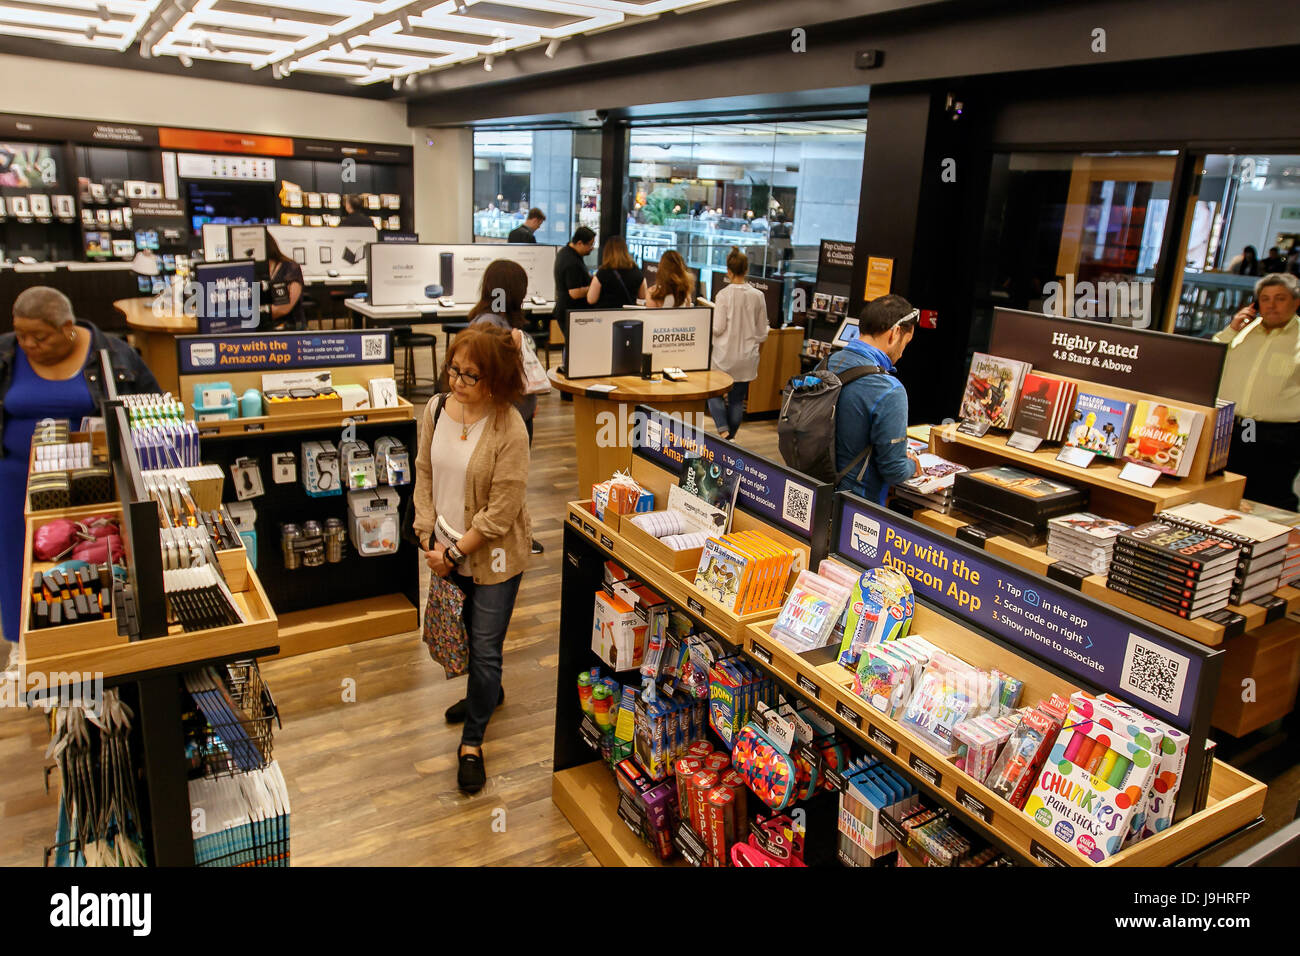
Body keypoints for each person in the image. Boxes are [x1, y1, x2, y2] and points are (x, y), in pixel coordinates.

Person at [0, 287, 160, 672]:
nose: (28, 344)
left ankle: (83, 650)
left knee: (80, 568)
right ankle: (24, 646)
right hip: (13, 480)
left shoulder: (114, 355)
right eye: (21, 335)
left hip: (90, 486)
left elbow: (150, 406)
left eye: (39, 336)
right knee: (14, 567)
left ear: (67, 328)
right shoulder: (6, 355)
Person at [413, 325, 532, 794]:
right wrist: (429, 538)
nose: (457, 382)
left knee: (485, 647)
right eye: (454, 370)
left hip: (492, 557)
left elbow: (501, 512)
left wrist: (454, 552)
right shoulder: (436, 408)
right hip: (442, 547)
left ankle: (472, 743)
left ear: (496, 380)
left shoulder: (510, 428)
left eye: (471, 375)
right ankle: (488, 692)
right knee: (463, 635)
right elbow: (424, 470)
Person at [465, 259, 545, 555]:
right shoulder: (491, 325)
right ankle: (506, 539)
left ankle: (515, 535)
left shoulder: (496, 320)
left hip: (514, 417)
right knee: (504, 484)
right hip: (503, 421)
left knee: (510, 483)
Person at [1214, 272, 1300, 510]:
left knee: (1270, 498)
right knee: (1226, 492)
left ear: (1296, 302)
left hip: (1279, 434)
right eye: (1265, 298)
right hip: (1235, 428)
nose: (1271, 305)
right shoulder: (1243, 331)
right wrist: (1231, 329)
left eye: (1280, 298)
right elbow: (1210, 360)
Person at [826, 295, 923, 504]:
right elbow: (894, 470)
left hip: (812, 488)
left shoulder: (826, 365)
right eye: (906, 343)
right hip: (857, 507)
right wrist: (913, 465)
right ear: (896, 333)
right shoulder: (889, 390)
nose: (902, 353)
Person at [707, 246, 769, 440]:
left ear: (729, 271)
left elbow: (717, 328)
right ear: (746, 269)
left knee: (713, 393)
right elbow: (762, 331)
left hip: (723, 355)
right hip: (747, 356)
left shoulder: (723, 296)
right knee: (737, 400)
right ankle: (730, 438)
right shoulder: (758, 296)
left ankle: (723, 430)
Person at [553, 226, 595, 343]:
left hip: (565, 310)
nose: (592, 248)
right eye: (590, 245)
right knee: (575, 346)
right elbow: (575, 292)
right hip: (571, 312)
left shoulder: (566, 252)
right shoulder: (571, 262)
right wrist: (595, 287)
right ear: (580, 243)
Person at [586, 236, 647, 309]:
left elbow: (591, 299)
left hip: (606, 315)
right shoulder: (636, 271)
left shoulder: (603, 273)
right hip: (629, 316)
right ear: (625, 250)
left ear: (607, 252)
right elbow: (643, 296)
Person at [264, 233, 306, 331]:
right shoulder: (253, 270)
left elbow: (285, 307)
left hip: (290, 327)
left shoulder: (290, 268)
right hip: (263, 327)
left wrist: (258, 316)